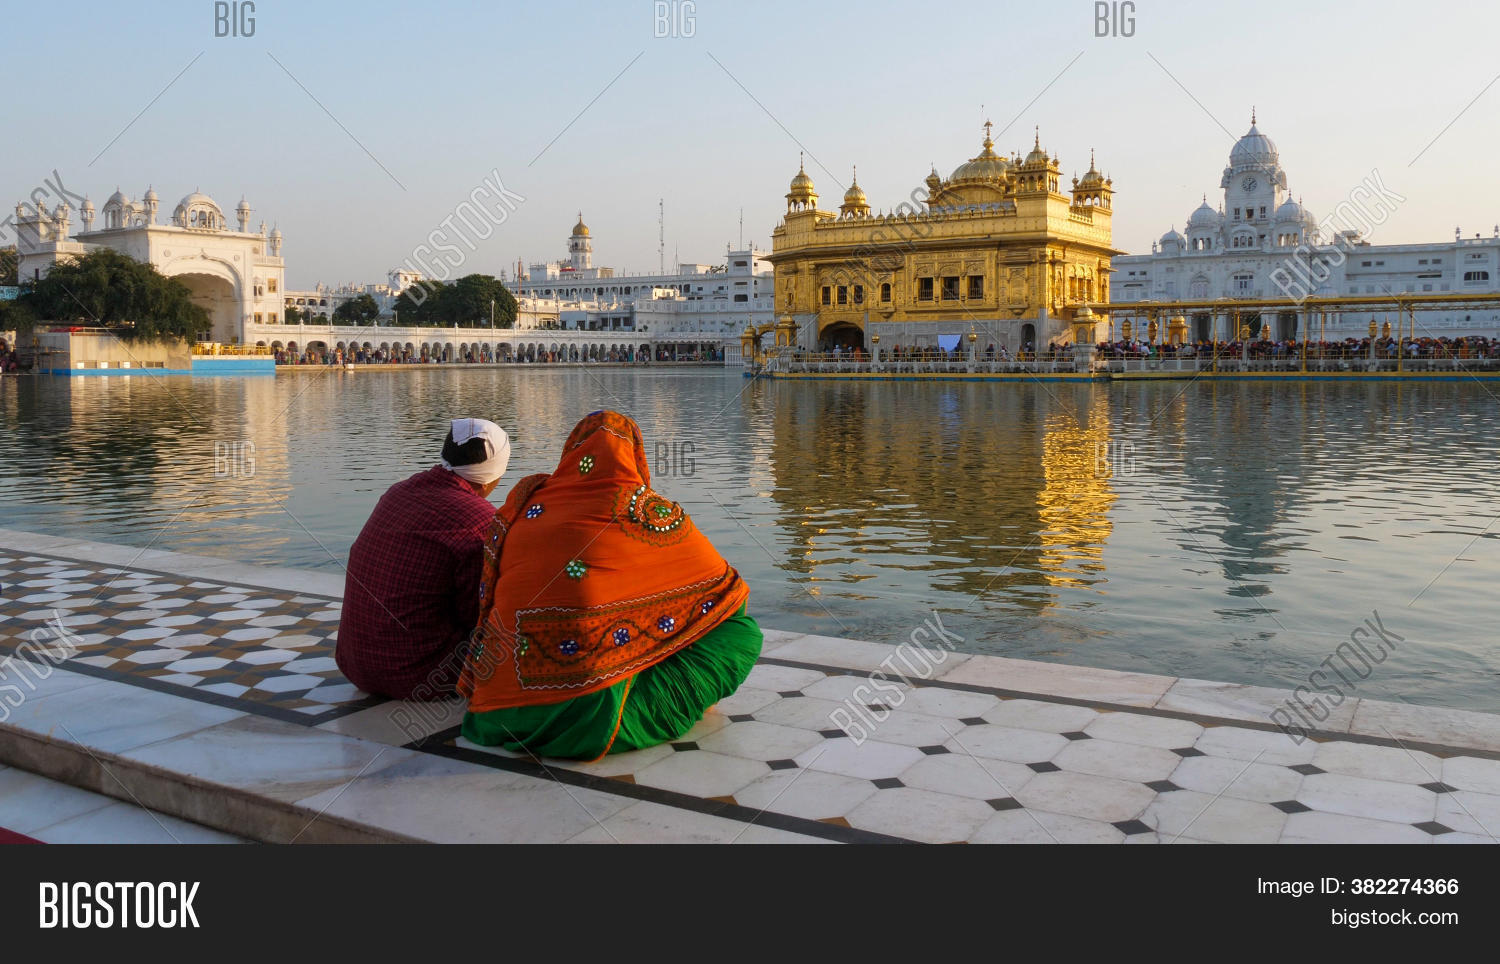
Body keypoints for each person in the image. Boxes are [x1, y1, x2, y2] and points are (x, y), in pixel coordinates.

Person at [459, 410, 762, 760]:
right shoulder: (645, 511)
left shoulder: (526, 503)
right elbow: (728, 591)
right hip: (589, 722)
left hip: (496, 707)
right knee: (741, 632)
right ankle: (643, 695)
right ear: (635, 458)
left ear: (571, 453)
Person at [335, 418, 511, 700]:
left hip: (355, 665)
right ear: (495, 474)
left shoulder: (399, 491)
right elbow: (476, 615)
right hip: (422, 677)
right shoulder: (482, 520)